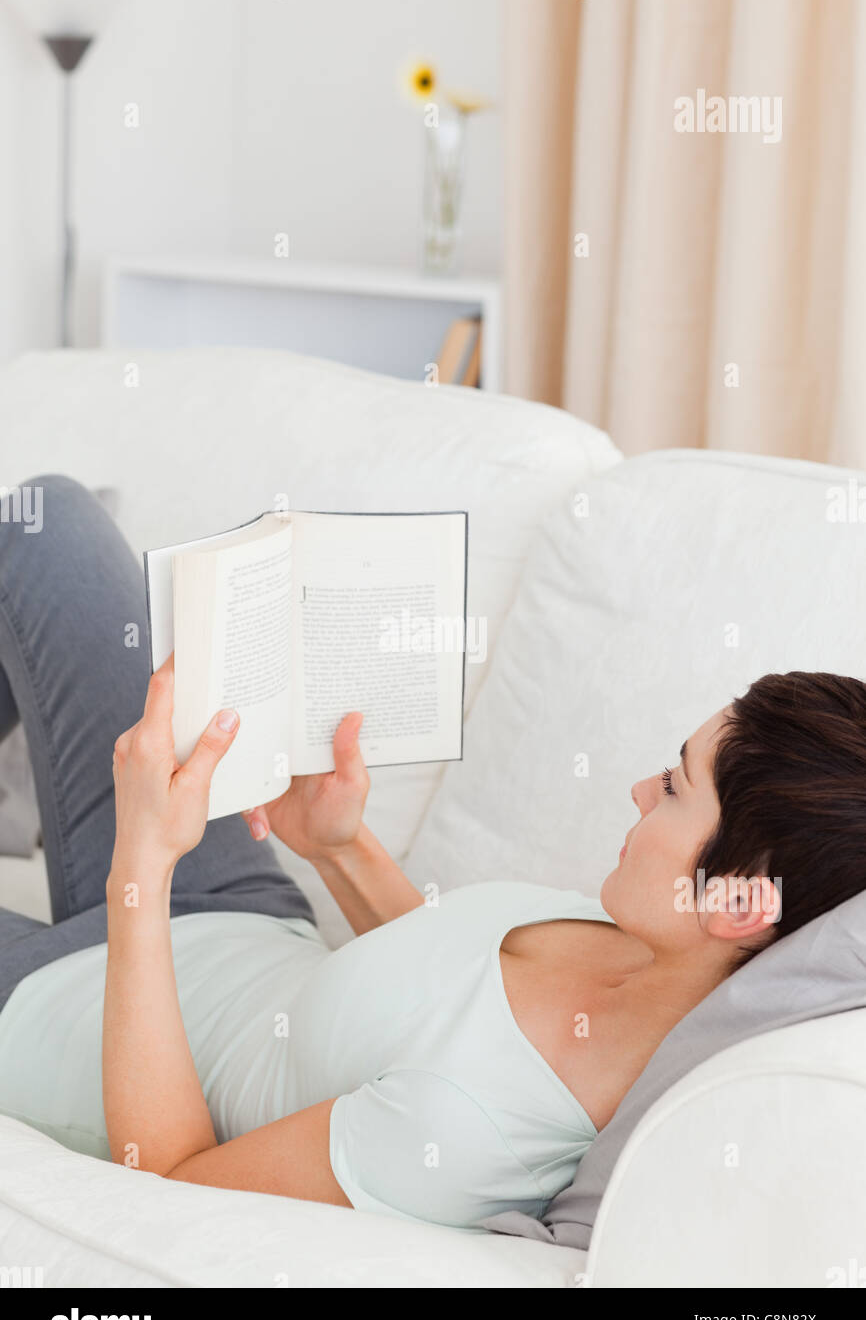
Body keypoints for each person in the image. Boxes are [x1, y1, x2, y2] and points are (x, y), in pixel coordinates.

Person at [0, 476, 862, 1229]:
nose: (641, 790)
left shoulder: (472, 1134)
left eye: (675, 787)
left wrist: (142, 866)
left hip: (69, 1006)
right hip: (241, 916)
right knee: (51, 527)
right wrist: (339, 848)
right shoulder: (650, 948)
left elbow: (169, 1184)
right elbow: (444, 1000)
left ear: (738, 903)